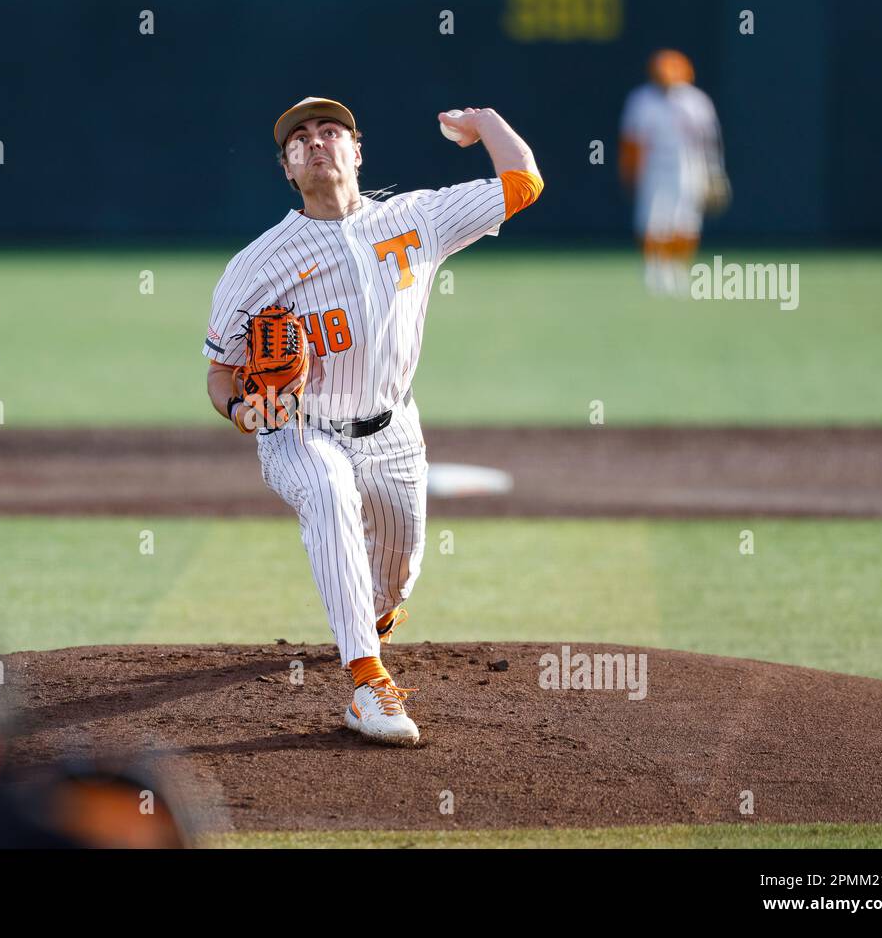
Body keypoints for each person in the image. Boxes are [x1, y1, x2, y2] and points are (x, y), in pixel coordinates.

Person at [202, 97, 543, 745]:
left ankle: (375, 619)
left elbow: (523, 184)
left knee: (396, 573)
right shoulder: (254, 266)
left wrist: (489, 123)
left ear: (357, 152)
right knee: (329, 498)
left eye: (331, 131)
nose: (317, 142)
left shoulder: (419, 218)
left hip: (394, 433)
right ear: (287, 169)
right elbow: (220, 373)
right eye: (300, 139)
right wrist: (245, 408)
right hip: (300, 431)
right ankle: (367, 684)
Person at [619, 49, 731, 295]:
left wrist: (714, 171)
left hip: (689, 165)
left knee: (686, 221)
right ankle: (654, 267)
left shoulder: (696, 101)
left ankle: (677, 267)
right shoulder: (642, 100)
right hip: (654, 166)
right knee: (652, 220)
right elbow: (632, 142)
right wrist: (630, 172)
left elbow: (708, 141)